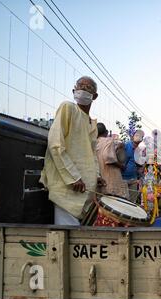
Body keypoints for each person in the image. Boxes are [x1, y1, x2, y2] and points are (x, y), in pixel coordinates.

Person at [40, 76, 105, 225]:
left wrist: (97, 176)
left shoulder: (92, 123)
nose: (82, 89)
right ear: (74, 90)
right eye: (79, 86)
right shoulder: (68, 108)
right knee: (69, 235)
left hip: (86, 188)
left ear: (94, 96)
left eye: (87, 87)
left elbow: (92, 154)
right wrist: (73, 177)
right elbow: (56, 144)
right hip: (68, 187)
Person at [96, 122, 128, 198]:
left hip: (100, 178)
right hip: (111, 180)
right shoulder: (108, 141)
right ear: (106, 132)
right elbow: (108, 157)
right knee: (116, 202)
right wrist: (121, 166)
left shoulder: (94, 142)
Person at [122, 129, 145, 203]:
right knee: (122, 200)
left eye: (140, 136)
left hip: (134, 179)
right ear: (132, 137)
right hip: (123, 178)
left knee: (132, 202)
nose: (138, 137)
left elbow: (140, 164)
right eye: (137, 135)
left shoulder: (140, 150)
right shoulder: (125, 145)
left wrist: (142, 167)